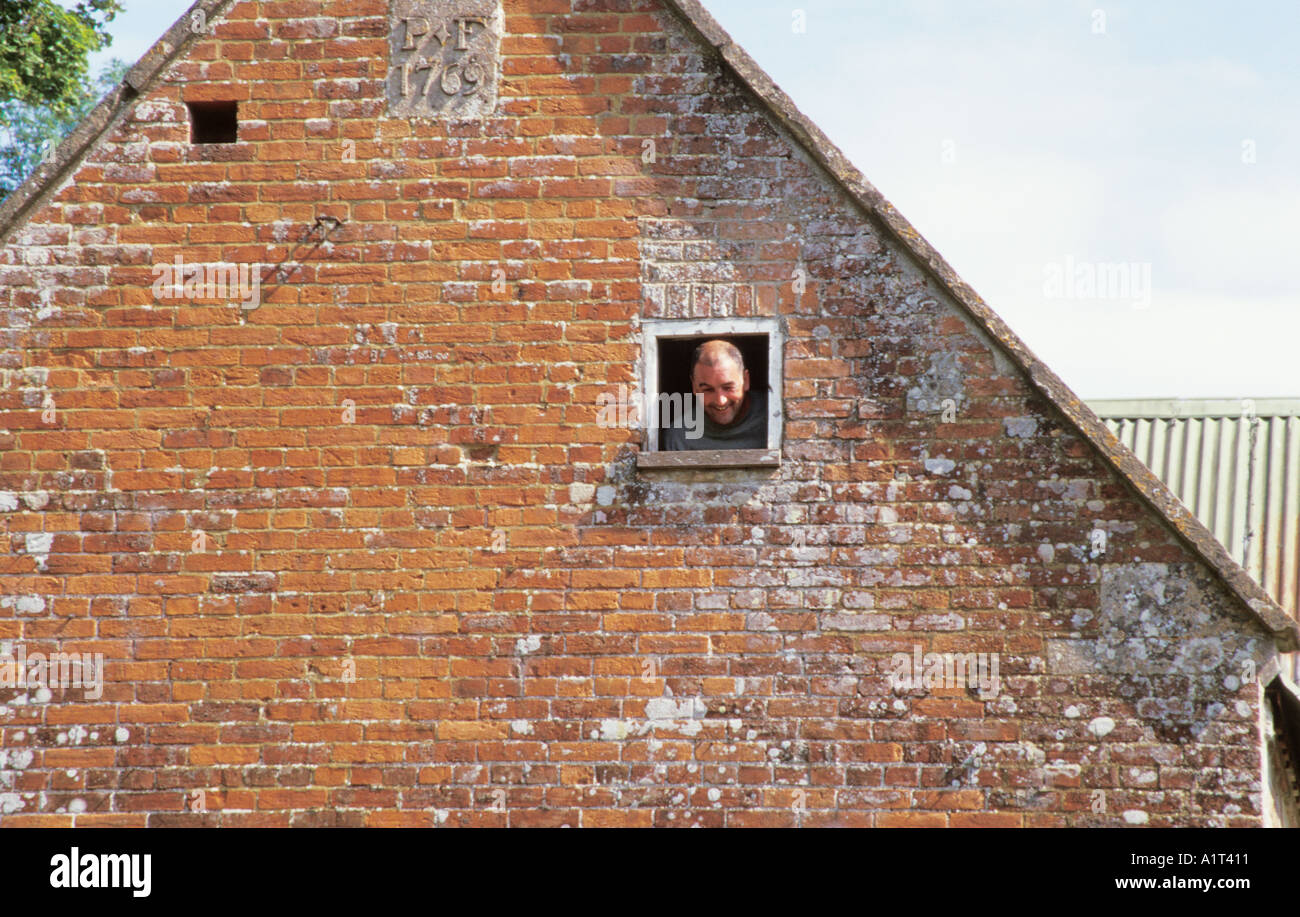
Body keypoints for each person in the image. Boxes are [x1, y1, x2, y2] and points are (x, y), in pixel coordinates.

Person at [661, 339, 768, 451]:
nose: (720, 401)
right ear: (694, 387)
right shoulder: (679, 437)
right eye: (708, 389)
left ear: (745, 380)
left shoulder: (773, 417)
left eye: (728, 388)